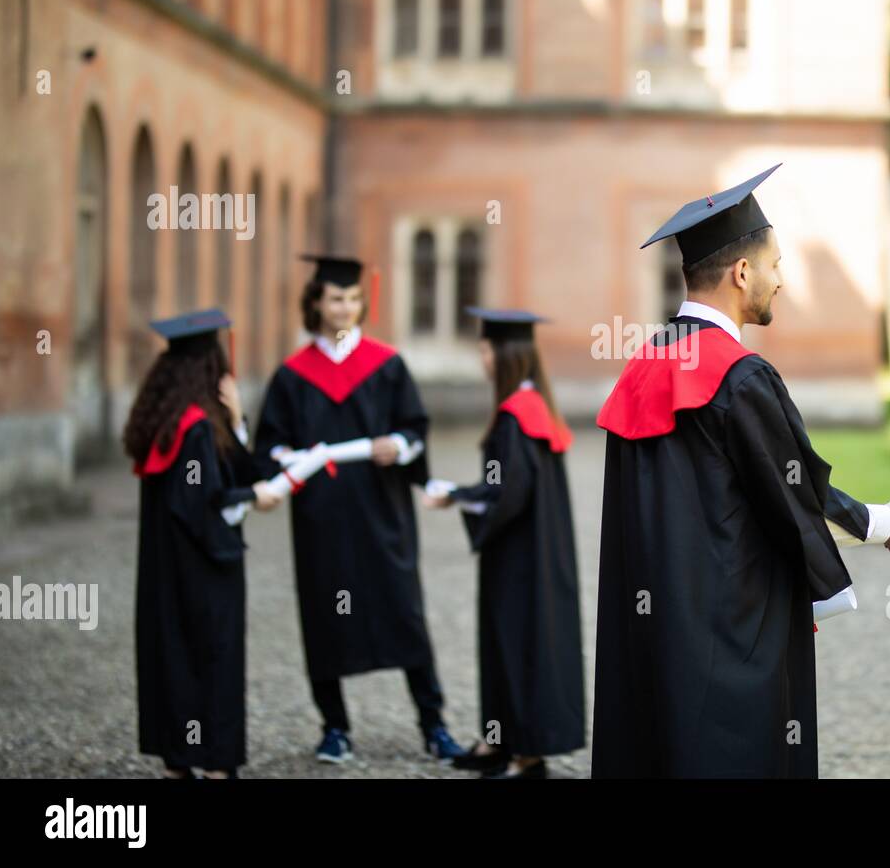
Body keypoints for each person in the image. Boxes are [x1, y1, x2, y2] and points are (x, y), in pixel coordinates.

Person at [592, 164, 890, 778]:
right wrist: (887, 523)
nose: (780, 281)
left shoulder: (644, 366)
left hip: (654, 627)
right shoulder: (739, 376)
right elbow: (793, 491)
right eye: (775, 266)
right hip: (729, 628)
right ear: (743, 271)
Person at [254, 255, 464, 764]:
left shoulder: (386, 365)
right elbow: (269, 446)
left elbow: (415, 428)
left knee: (404, 612)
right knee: (325, 617)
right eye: (334, 299)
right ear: (316, 304)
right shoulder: (293, 376)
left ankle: (433, 724)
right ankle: (334, 727)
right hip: (322, 518)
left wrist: (400, 444)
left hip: (381, 512)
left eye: (352, 299)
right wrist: (294, 461)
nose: (344, 307)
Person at [422, 308, 585, 780]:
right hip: (536, 555)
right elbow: (506, 487)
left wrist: (459, 498)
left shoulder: (518, 415)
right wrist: (462, 495)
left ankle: (525, 753)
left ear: (504, 355)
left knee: (519, 647)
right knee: (510, 645)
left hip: (519, 559)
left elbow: (507, 495)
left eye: (485, 349)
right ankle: (499, 739)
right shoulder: (535, 410)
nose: (481, 357)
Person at [124, 308, 282, 779]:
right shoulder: (195, 431)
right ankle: (216, 762)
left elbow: (218, 478)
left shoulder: (165, 423)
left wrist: (235, 422)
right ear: (212, 370)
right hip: (204, 568)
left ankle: (180, 758)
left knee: (173, 653)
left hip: (166, 570)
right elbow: (207, 503)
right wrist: (255, 496)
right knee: (213, 655)